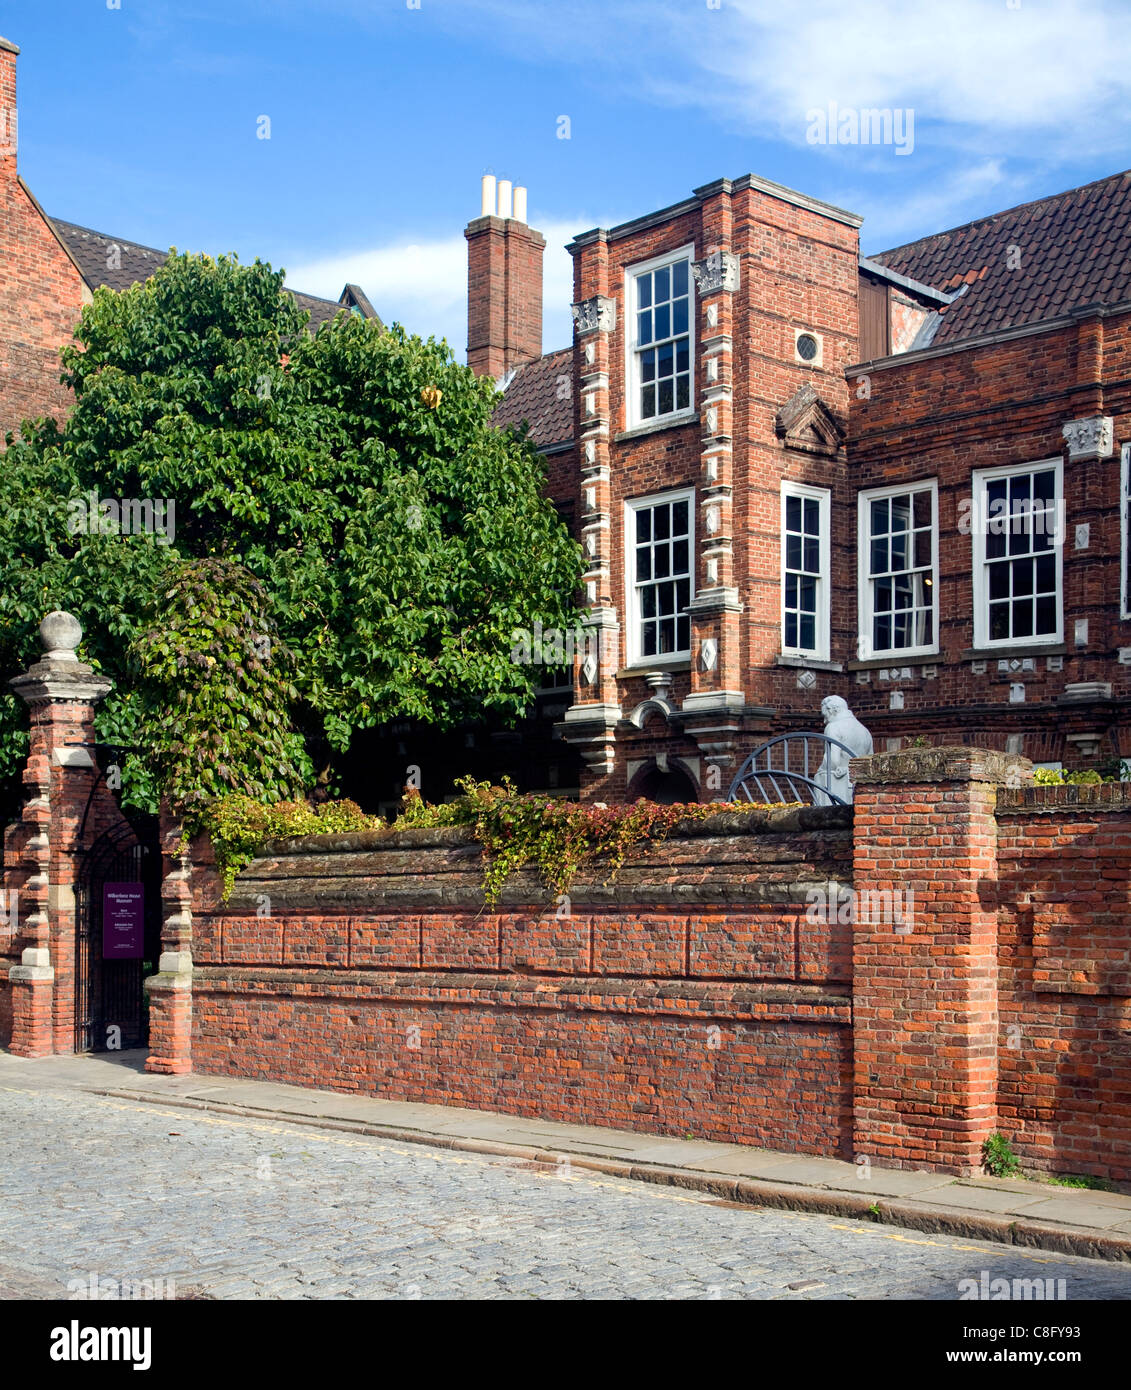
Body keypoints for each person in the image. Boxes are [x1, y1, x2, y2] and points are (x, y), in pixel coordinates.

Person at [814, 696, 873, 804]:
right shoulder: (865, 731)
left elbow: (833, 761)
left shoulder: (833, 727)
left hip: (838, 787)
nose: (824, 721)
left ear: (832, 710)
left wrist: (819, 772)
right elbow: (870, 761)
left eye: (825, 715)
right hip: (858, 787)